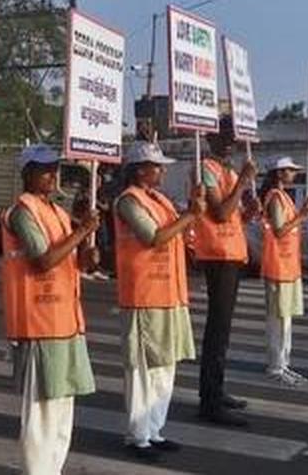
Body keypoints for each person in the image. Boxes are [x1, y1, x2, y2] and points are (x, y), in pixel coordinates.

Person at [1, 144, 100, 474]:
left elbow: (71, 259)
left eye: (54, 168)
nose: (52, 175)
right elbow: (42, 259)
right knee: (41, 416)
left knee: (62, 412)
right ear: (27, 173)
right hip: (38, 322)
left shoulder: (57, 212)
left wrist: (88, 251)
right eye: (44, 169)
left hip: (66, 321)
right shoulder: (22, 211)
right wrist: (83, 231)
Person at [114, 141, 204, 460]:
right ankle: (138, 435)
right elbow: (152, 236)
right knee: (142, 368)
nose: (163, 171)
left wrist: (191, 213)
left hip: (169, 291)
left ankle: (154, 429)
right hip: (143, 293)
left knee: (165, 365)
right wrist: (189, 216)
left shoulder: (160, 199)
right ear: (141, 170)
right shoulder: (128, 201)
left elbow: (178, 231)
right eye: (158, 166)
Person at [193, 117, 256, 427]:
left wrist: (248, 212)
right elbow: (218, 212)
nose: (231, 141)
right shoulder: (206, 168)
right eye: (225, 134)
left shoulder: (228, 170)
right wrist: (243, 181)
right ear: (210, 137)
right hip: (216, 253)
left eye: (234, 135)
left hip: (232, 252)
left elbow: (233, 216)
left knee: (224, 330)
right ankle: (210, 400)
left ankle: (216, 389)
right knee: (217, 330)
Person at [259, 157, 308, 385]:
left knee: (287, 318)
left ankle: (284, 363)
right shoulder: (274, 197)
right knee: (278, 319)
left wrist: (302, 214)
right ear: (279, 173)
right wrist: (302, 216)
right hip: (277, 265)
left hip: (289, 265)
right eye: (290, 171)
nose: (294, 174)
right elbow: (280, 230)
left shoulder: (284, 197)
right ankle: (275, 366)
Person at [70, 194, 109, 281]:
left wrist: (97, 202)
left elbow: (106, 207)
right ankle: (83, 269)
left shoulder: (101, 194)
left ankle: (93, 268)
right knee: (83, 244)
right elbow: (74, 215)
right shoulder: (81, 197)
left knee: (95, 245)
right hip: (80, 226)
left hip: (94, 226)